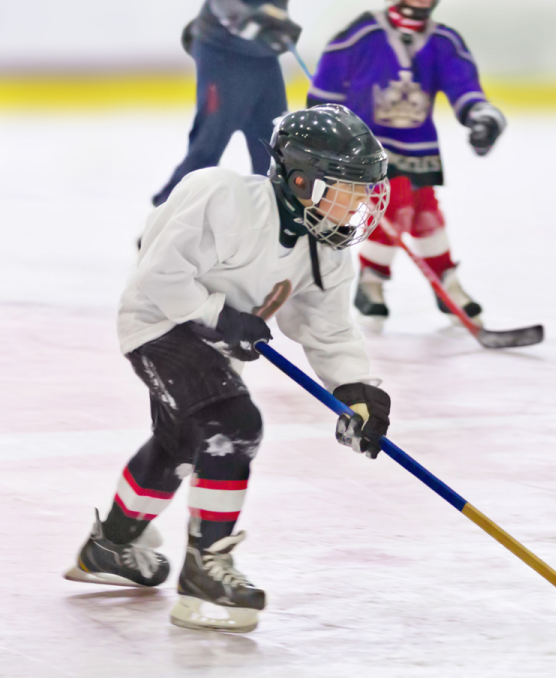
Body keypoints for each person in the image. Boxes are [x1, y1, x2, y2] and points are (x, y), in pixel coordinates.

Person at [66, 105, 393, 634]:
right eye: (347, 188)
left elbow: (328, 330)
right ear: (302, 179)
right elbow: (160, 274)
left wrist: (356, 389)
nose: (359, 204)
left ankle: (112, 546)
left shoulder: (325, 248)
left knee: (180, 441)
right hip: (159, 322)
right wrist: (219, 314)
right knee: (231, 426)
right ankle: (205, 569)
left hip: (212, 343)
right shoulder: (224, 197)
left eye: (365, 191)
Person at [306, 0, 507, 329]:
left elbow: (465, 86)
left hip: (419, 146)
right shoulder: (363, 33)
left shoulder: (444, 40)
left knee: (425, 210)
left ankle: (445, 281)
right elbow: (326, 87)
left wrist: (481, 117)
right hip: (368, 146)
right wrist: (325, 129)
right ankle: (373, 281)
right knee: (395, 204)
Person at [151, 0, 303, 207]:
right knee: (209, 142)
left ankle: (274, 220)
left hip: (261, 55)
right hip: (223, 53)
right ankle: (168, 215)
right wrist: (253, 23)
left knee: (274, 146)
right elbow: (223, 1)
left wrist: (276, 26)